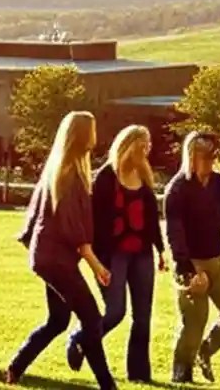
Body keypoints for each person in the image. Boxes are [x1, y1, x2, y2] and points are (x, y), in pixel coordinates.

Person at [7, 111, 117, 390]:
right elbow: (74, 229)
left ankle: (15, 368)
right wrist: (97, 265)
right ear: (82, 136)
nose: (96, 134)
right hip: (56, 261)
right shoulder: (69, 174)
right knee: (91, 319)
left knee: (58, 320)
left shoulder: (62, 169)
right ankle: (108, 386)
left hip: (48, 258)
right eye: (92, 129)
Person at [67, 125, 168, 383]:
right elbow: (94, 221)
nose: (147, 150)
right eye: (143, 145)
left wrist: (160, 250)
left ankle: (139, 375)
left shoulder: (145, 176)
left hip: (142, 253)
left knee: (143, 317)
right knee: (115, 312)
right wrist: (96, 260)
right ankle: (81, 339)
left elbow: (151, 219)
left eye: (149, 145)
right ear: (130, 145)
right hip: (113, 254)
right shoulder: (106, 178)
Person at [165, 132, 220, 384]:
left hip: (218, 260)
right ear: (191, 157)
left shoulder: (219, 184)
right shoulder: (177, 189)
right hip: (191, 264)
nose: (211, 161)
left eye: (213, 156)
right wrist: (189, 272)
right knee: (194, 323)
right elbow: (174, 234)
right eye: (206, 156)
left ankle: (206, 351)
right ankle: (181, 372)